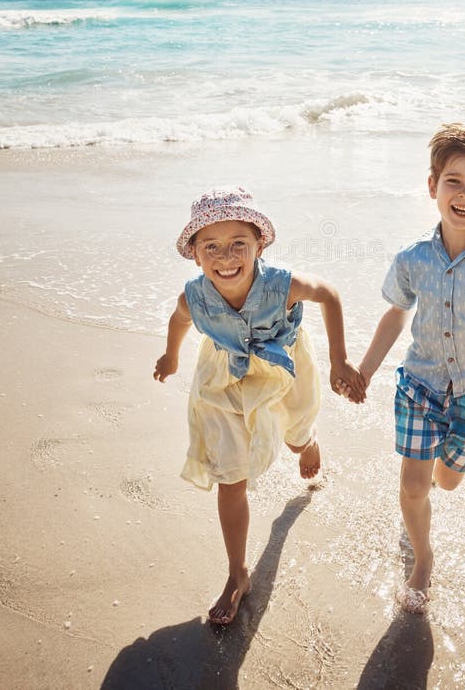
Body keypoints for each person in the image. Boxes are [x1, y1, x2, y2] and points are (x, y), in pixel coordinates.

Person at [337, 123, 465, 613]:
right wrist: (365, 370)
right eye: (454, 181)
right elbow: (396, 314)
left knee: (447, 480)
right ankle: (423, 558)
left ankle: (439, 476)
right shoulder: (413, 258)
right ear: (433, 186)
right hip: (420, 387)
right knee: (412, 485)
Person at [154, 187, 365, 625]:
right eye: (211, 246)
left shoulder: (282, 285)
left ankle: (306, 443)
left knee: (294, 434)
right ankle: (237, 574)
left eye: (238, 244)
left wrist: (339, 359)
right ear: (195, 254)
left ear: (259, 246)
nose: (225, 257)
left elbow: (328, 294)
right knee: (230, 477)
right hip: (224, 377)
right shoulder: (194, 296)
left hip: (285, 366)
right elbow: (178, 320)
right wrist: (171, 356)